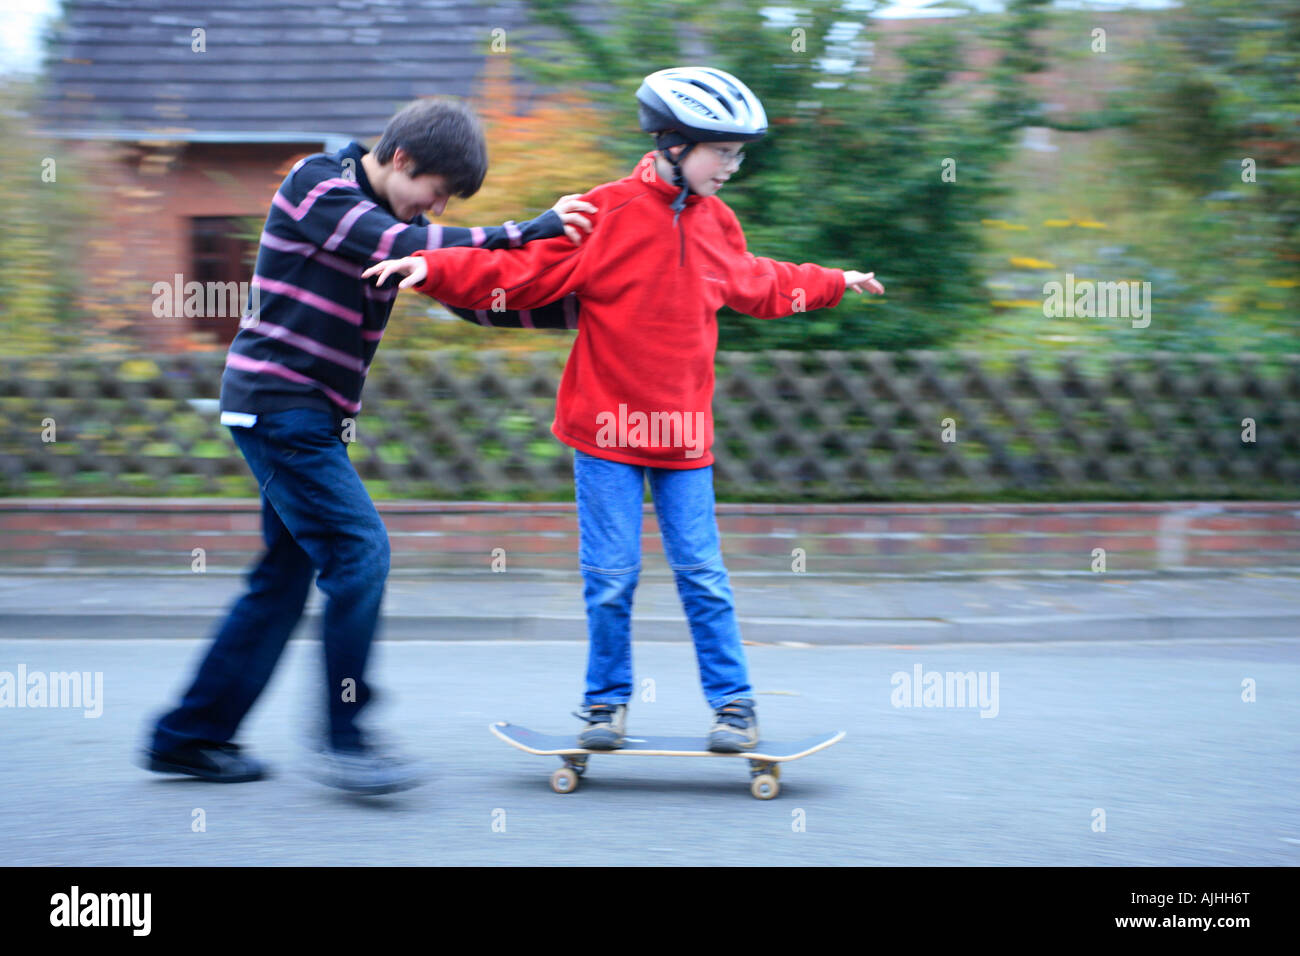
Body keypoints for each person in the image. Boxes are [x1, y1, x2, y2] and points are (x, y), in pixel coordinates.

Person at [364, 67, 884, 753]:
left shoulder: (718, 225)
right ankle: (604, 707)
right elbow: (518, 273)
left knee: (703, 576)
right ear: (672, 143)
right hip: (605, 432)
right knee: (611, 578)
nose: (732, 166)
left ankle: (735, 709)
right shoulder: (604, 213)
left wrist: (832, 283)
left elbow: (761, 283)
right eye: (720, 151)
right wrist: (433, 269)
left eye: (737, 153)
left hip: (683, 435)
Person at [143, 97, 596, 793]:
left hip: (304, 419)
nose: (433, 211)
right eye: (434, 195)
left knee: (283, 579)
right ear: (402, 160)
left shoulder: (396, 225)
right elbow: (401, 248)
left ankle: (189, 736)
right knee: (360, 553)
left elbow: (464, 291)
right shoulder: (317, 183)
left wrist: (590, 308)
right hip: (279, 407)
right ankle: (346, 742)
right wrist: (522, 229)